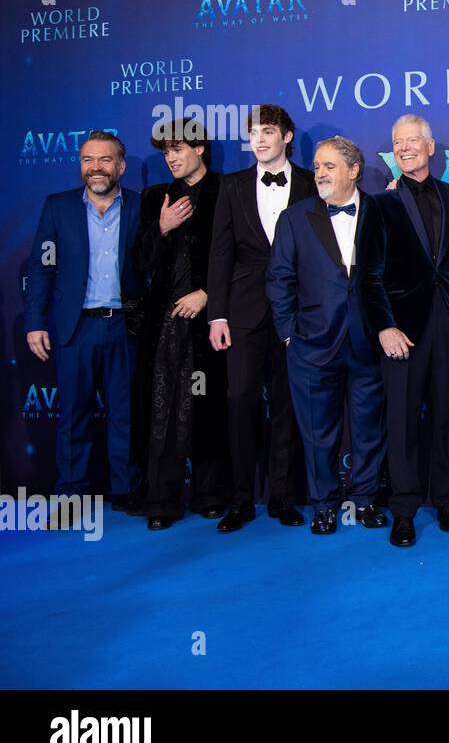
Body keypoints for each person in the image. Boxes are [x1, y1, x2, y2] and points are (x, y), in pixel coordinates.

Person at [266, 136, 395, 535]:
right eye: (317, 166)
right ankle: (323, 504)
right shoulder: (295, 217)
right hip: (311, 343)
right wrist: (289, 332)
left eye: (329, 166)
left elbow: (395, 276)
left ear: (354, 170)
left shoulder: (380, 211)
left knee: (369, 428)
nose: (319, 173)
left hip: (366, 339)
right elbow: (279, 277)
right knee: (318, 432)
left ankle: (365, 500)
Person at [24, 131, 146, 519]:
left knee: (125, 414)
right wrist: (35, 322)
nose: (96, 168)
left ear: (120, 166)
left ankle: (127, 490)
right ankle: (72, 495)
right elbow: (42, 270)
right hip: (74, 328)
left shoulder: (142, 208)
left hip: (124, 326)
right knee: (73, 415)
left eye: (105, 160)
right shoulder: (57, 207)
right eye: (88, 160)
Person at [207, 104, 313, 531]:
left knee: (287, 403)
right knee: (240, 401)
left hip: (297, 309)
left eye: (268, 131)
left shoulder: (309, 182)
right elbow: (220, 253)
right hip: (244, 310)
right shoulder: (231, 186)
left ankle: (283, 496)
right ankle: (240, 499)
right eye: (254, 133)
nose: (260, 139)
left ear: (287, 136)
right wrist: (217, 316)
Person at [373, 114, 449, 546]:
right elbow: (369, 276)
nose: (405, 147)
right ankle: (404, 508)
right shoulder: (380, 205)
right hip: (403, 330)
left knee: (447, 415)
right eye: (398, 142)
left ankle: (447, 500)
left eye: (413, 140)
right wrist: (385, 327)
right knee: (403, 421)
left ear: (432, 147)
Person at [133, 119, 230, 530]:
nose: (171, 158)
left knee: (206, 406)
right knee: (161, 410)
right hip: (163, 324)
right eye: (166, 151)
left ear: (200, 148)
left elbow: (241, 255)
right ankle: (161, 500)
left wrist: (208, 294)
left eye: (178, 149)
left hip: (208, 320)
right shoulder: (156, 196)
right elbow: (138, 263)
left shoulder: (227, 190)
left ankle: (210, 494)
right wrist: (162, 227)